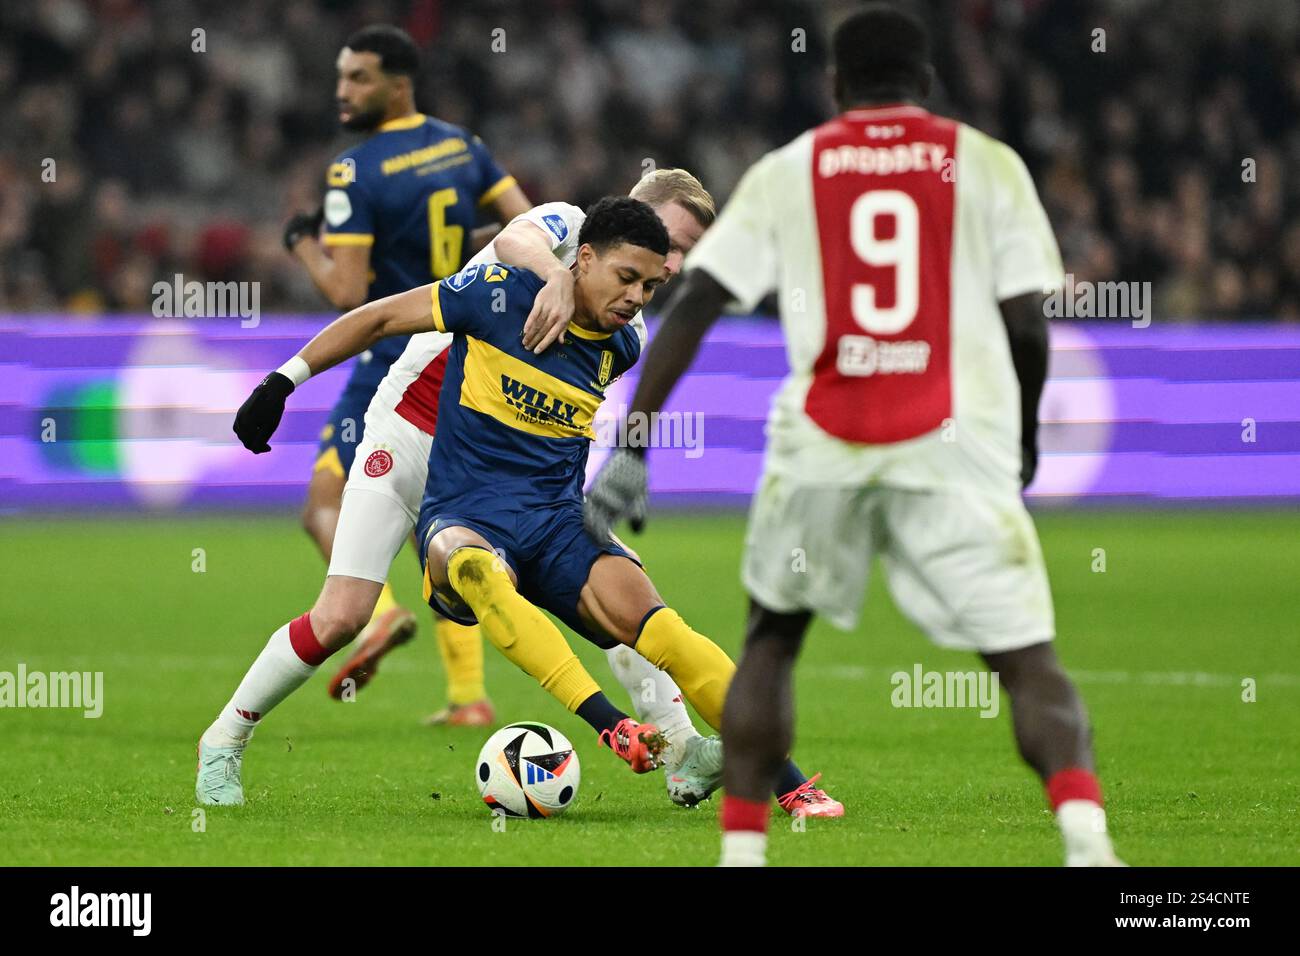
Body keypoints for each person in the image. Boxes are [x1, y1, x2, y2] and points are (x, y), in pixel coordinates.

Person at [584, 4, 1125, 867]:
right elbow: (1027, 323)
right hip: (949, 443)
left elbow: (695, 305)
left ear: (834, 86)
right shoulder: (986, 164)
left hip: (821, 444)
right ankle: (1089, 846)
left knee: (770, 647)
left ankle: (743, 856)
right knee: (1027, 661)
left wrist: (635, 440)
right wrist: (1022, 436)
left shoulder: (791, 168)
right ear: (930, 84)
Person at [203, 197, 842, 820]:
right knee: (343, 615)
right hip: (409, 438)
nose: (666, 273)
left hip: (528, 502)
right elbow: (492, 249)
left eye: (670, 266)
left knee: (638, 603)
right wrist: (283, 380)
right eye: (665, 250)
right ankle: (224, 739)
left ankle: (716, 759)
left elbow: (549, 423)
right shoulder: (523, 265)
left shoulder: (625, 339)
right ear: (596, 246)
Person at [283, 24, 530, 725]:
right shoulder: (464, 146)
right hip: (464, 349)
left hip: (395, 357)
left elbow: (345, 292)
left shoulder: (354, 172)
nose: (343, 91)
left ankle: (375, 616)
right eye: (340, 77)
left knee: (321, 504)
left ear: (398, 83)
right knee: (441, 522)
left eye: (358, 77)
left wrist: (302, 243)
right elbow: (526, 225)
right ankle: (468, 698)